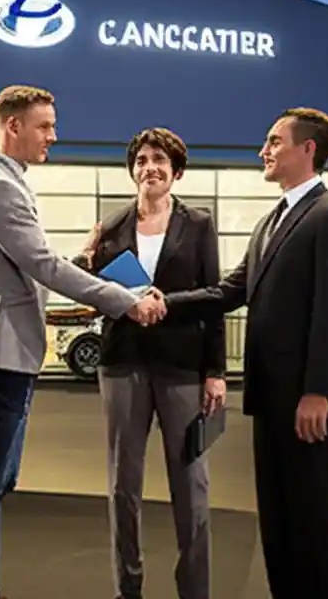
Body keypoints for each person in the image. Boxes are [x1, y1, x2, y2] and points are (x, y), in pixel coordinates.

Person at [0, 84, 167, 599]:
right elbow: (41, 265)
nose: (53, 136)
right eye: (44, 126)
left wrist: (93, 271)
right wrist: (125, 301)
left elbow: (32, 264)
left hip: (8, 354)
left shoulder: (9, 183)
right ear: (12, 126)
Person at [164, 108, 328, 599]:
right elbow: (228, 291)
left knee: (311, 522)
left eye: (275, 141)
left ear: (308, 149)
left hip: (306, 403)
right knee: (277, 522)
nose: (264, 151)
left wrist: (318, 391)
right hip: (271, 400)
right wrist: (155, 302)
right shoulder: (271, 221)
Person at [73, 127, 225, 599]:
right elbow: (90, 290)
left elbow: (214, 299)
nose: (149, 167)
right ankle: (128, 588)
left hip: (183, 366)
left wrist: (216, 372)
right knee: (123, 486)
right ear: (133, 169)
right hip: (123, 364)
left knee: (191, 486)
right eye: (141, 160)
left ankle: (195, 590)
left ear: (175, 171)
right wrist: (84, 256)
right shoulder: (112, 225)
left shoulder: (199, 225)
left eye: (159, 160)